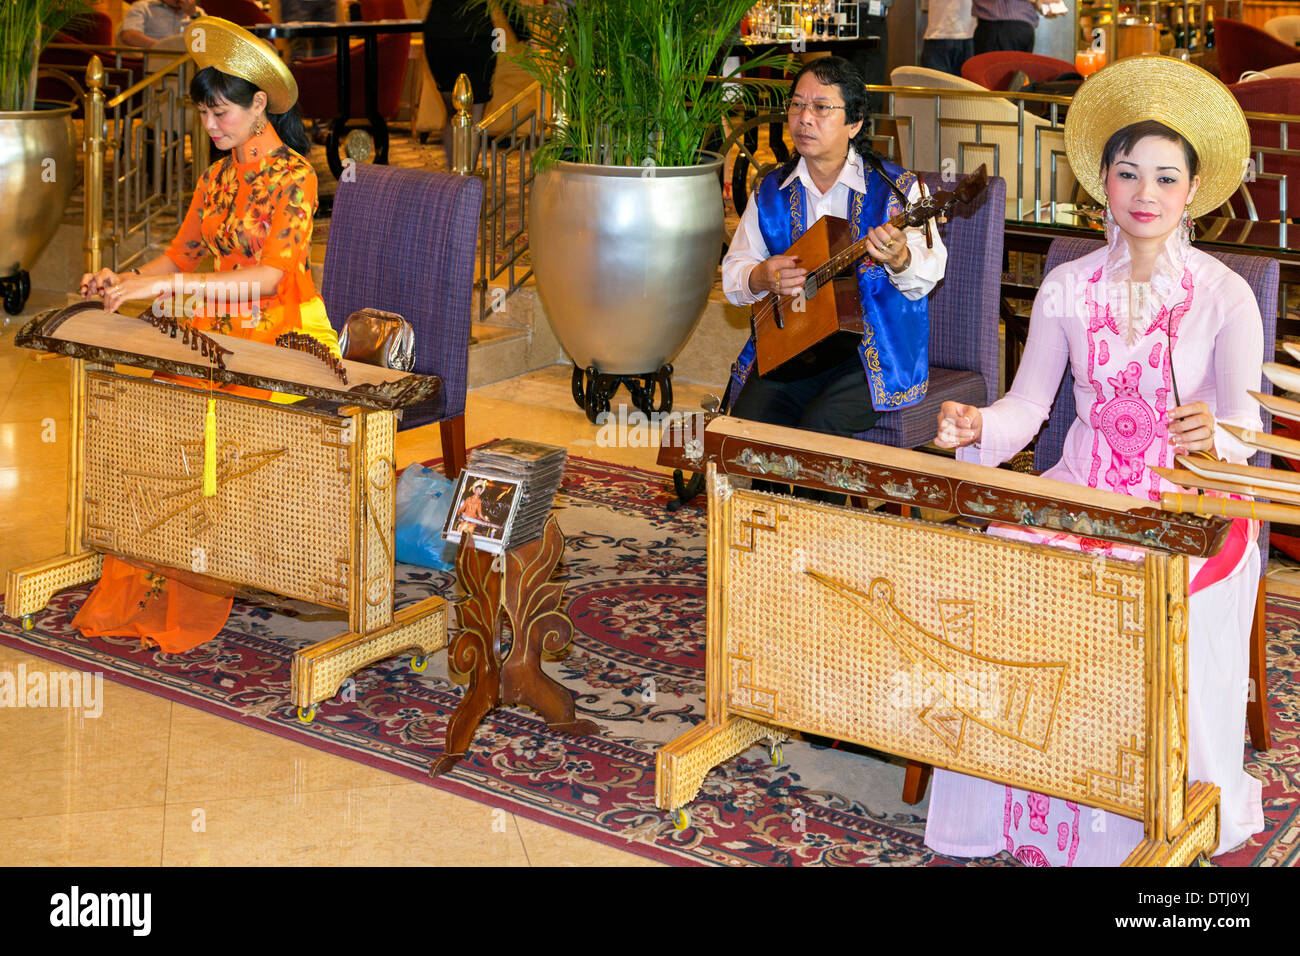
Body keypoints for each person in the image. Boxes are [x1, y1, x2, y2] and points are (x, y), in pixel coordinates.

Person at [929, 56, 1265, 864]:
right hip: (1080, 493)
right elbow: (1027, 410)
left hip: (1191, 510)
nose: (1145, 193)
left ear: (1192, 192)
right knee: (1004, 568)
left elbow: (1247, 424)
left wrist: (1211, 438)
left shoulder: (1225, 294)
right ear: (1103, 186)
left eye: (1164, 177)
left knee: (1135, 594)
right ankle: (1025, 796)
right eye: (1127, 174)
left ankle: (1145, 809)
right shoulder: (1069, 287)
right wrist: (977, 422)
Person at [73, 16, 340, 654]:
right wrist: (127, 278)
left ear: (260, 106)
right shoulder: (219, 175)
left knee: (218, 443)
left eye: (221, 113)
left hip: (271, 338)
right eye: (204, 113)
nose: (211, 126)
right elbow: (182, 253)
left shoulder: (294, 177)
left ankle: (220, 567)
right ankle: (174, 554)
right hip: (205, 330)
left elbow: (268, 280)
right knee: (160, 435)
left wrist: (159, 291)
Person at [722, 56, 946, 451]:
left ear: (854, 122)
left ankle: (823, 517)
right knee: (752, 426)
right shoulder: (771, 191)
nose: (804, 118)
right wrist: (761, 277)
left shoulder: (898, 191)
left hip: (875, 353)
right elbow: (734, 271)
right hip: (797, 343)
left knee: (820, 426)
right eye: (797, 105)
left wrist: (899, 259)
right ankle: (772, 513)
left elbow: (931, 271)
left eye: (821, 107)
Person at [119, 0, 205, 48]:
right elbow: (129, 36)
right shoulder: (143, 7)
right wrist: (164, 47)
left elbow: (210, 40)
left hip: (190, 64)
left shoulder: (197, 12)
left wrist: (193, 15)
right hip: (157, 60)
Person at [922, 0, 976, 76]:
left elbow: (925, 7)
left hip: (965, 34)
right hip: (939, 34)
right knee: (935, 84)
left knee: (965, 85)